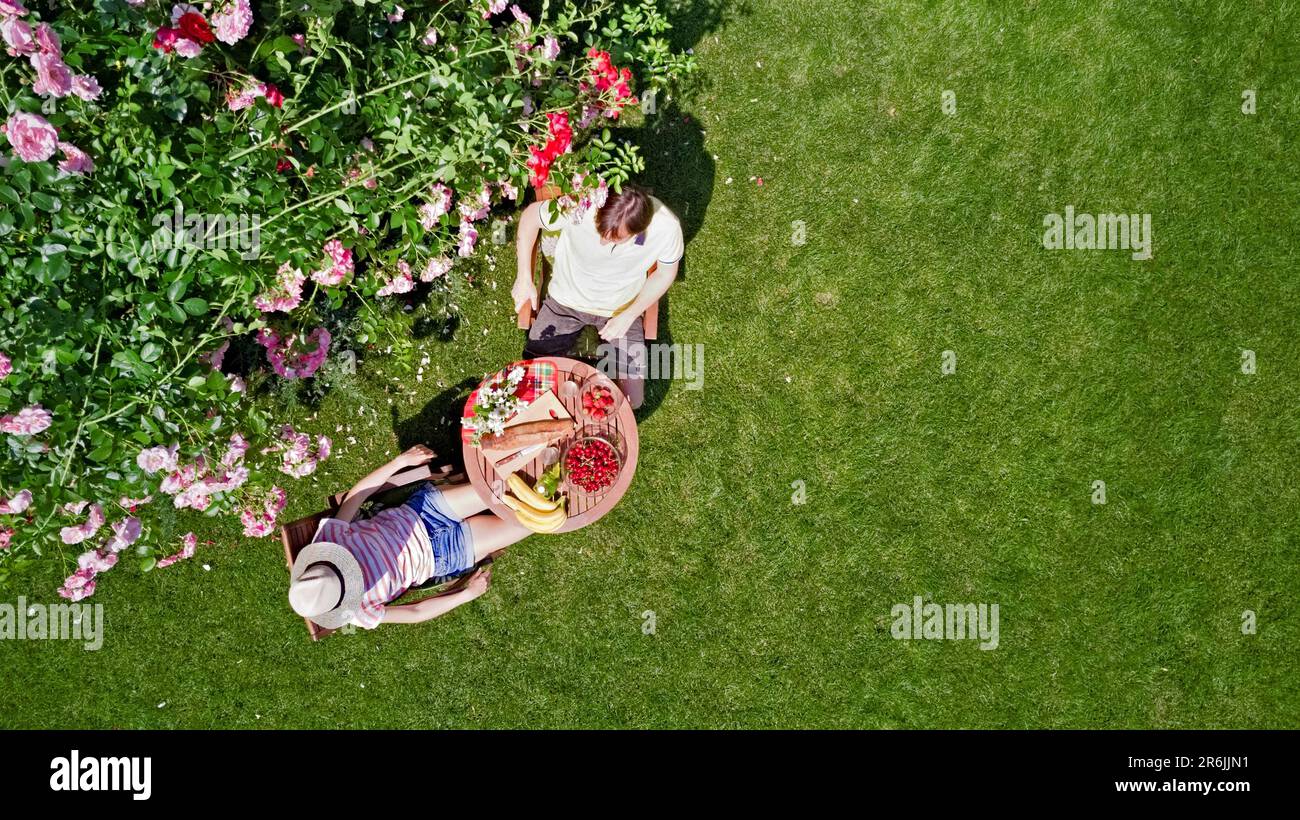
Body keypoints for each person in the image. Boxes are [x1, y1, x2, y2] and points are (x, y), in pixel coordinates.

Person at [287, 445, 530, 629]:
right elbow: (415, 612)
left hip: (423, 512)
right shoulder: (358, 612)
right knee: (527, 521)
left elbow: (358, 495)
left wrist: (400, 461)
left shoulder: (328, 543)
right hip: (442, 555)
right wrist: (466, 594)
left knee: (502, 487)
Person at [513, 183, 683, 409]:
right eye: (600, 231)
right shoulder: (582, 204)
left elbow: (665, 273)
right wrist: (523, 276)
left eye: (613, 239)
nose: (603, 242)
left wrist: (630, 314)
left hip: (621, 309)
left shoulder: (666, 227)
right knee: (534, 382)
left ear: (638, 231)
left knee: (631, 401)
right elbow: (529, 218)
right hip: (565, 301)